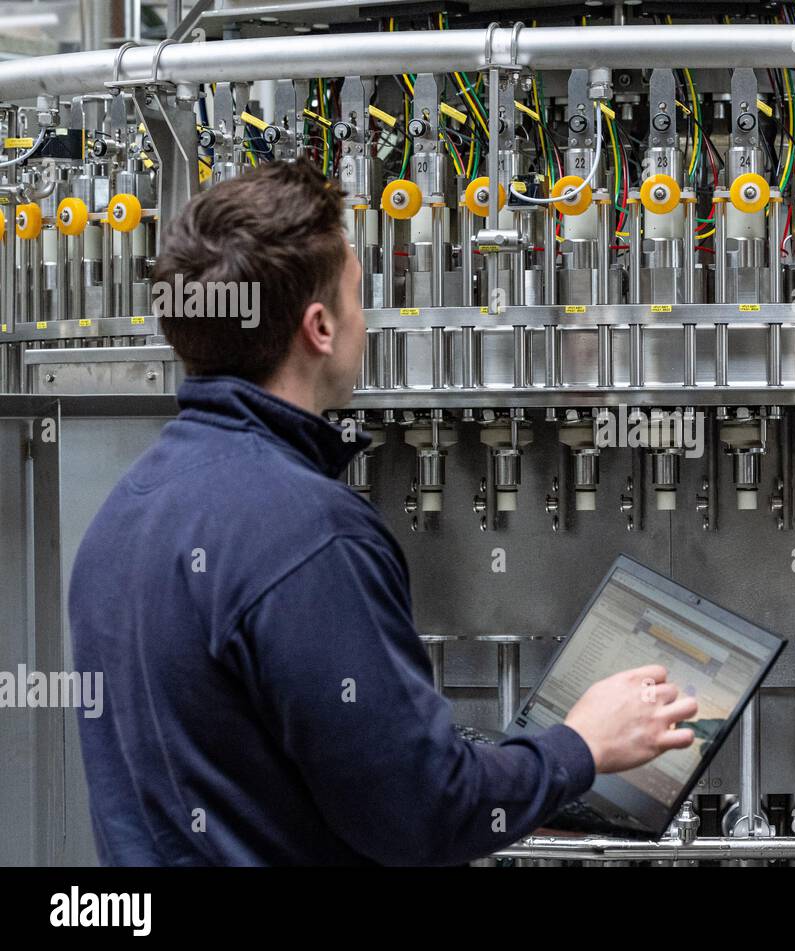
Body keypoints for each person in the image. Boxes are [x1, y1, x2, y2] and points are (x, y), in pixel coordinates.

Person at [67, 160, 697, 865]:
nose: (368, 320)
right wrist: (581, 746)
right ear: (320, 328)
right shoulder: (308, 533)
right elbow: (424, 814)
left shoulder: (123, 512)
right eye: (359, 296)